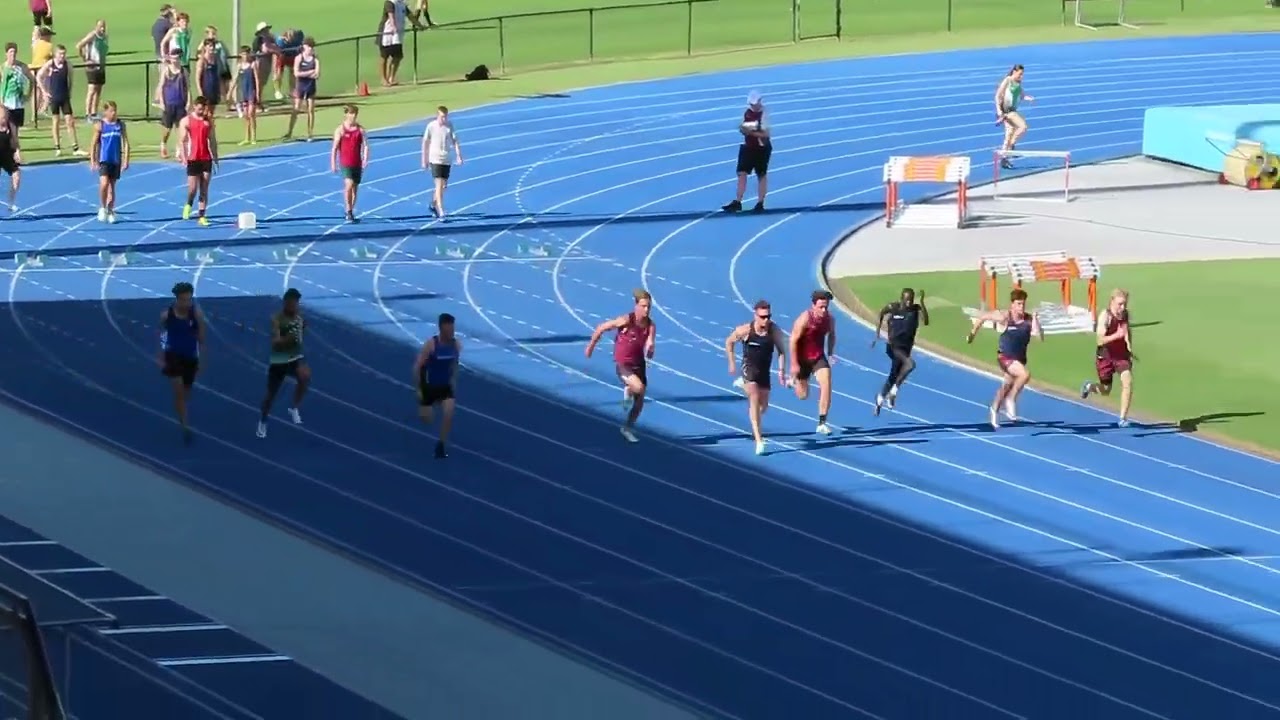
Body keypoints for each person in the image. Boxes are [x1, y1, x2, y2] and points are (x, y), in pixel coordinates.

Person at [966, 288, 1044, 429]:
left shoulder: (1028, 319)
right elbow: (983, 317)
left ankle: (994, 409)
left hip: (1019, 358)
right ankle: (1011, 399)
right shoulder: (1004, 317)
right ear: (1012, 304)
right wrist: (972, 333)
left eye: (1023, 304)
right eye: (1019, 304)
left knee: (1006, 386)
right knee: (1025, 375)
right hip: (1005, 356)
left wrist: (1036, 320)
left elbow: (1039, 337)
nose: (1022, 307)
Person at [586, 289, 656, 443]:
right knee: (639, 388)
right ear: (636, 305)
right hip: (623, 364)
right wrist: (591, 346)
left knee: (639, 401)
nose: (646, 310)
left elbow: (650, 347)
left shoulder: (650, 326)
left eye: (649, 307)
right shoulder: (625, 320)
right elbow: (602, 327)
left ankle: (627, 428)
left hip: (639, 364)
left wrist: (651, 350)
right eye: (643, 306)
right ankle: (629, 388)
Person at [725, 299, 787, 455]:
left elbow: (782, 351)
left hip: (764, 372)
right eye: (763, 317)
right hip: (749, 369)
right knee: (753, 397)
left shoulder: (774, 331)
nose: (766, 320)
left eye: (768, 316)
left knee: (763, 406)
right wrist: (732, 363)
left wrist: (781, 371)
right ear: (755, 315)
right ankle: (759, 440)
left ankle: (754, 417)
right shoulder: (745, 330)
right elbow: (729, 342)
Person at [257, 289, 310, 439]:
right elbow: (275, 341)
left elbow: (299, 338)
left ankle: (294, 408)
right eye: (293, 303)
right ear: (286, 303)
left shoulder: (299, 319)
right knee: (271, 396)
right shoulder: (277, 319)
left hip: (294, 359)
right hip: (279, 361)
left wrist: (302, 330)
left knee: (305, 376)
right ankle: (263, 420)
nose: (295, 306)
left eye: (297, 303)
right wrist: (289, 337)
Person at [158, 281, 205, 443]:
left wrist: (201, 361)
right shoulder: (167, 315)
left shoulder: (195, 314)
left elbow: (201, 338)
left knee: (186, 393)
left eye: (189, 299)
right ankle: (185, 426)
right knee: (178, 391)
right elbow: (162, 336)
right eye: (183, 299)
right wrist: (162, 357)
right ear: (177, 299)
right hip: (173, 356)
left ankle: (181, 412)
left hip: (190, 357)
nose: (187, 302)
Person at [1081, 289, 1135, 427]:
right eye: (1120, 304)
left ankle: (1123, 418)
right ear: (1112, 301)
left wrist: (1129, 346)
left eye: (1124, 304)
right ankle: (1089, 386)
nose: (1122, 308)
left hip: (1121, 355)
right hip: (1105, 356)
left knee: (1127, 382)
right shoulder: (1105, 316)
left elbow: (1126, 330)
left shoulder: (1125, 314)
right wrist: (1116, 336)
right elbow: (1099, 340)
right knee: (1105, 390)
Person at [871, 288, 929, 415]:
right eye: (907, 299)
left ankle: (879, 399)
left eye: (911, 299)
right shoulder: (893, 307)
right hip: (893, 346)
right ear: (902, 298)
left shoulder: (915, 309)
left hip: (906, 348)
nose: (909, 302)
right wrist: (877, 334)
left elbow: (926, 321)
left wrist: (922, 302)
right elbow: (881, 313)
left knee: (894, 375)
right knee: (910, 365)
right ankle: (893, 392)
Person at [413, 313, 461, 459]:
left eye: (452, 330)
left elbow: (455, 364)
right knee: (427, 419)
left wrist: (453, 381)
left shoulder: (456, 345)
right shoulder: (431, 345)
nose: (451, 333)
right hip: (429, 386)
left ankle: (441, 445)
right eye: (448, 330)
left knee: (448, 414)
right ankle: (424, 408)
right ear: (441, 329)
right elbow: (418, 367)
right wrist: (419, 389)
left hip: (445, 387)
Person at [790, 290, 837, 435]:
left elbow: (832, 335)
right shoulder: (805, 318)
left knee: (826, 382)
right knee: (803, 395)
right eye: (821, 307)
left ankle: (822, 422)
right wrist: (793, 364)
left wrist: (830, 353)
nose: (824, 310)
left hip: (818, 357)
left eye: (826, 307)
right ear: (813, 305)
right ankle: (795, 381)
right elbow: (793, 340)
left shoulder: (829, 319)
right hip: (802, 359)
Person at [722, 90, 771, 214]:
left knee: (761, 174)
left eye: (756, 103)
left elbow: (766, 134)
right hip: (748, 146)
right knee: (741, 173)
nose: (755, 105)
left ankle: (760, 203)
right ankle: (738, 202)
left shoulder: (764, 114)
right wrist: (744, 130)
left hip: (761, 148)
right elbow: (743, 127)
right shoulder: (747, 112)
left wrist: (751, 132)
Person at [36, 43, 84, 157]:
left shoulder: (68, 65)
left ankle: (75, 147)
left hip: (64, 97)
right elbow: (39, 76)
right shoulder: (50, 64)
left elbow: (71, 79)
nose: (62, 56)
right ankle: (57, 147)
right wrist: (44, 92)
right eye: (60, 54)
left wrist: (70, 91)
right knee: (56, 122)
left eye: (64, 54)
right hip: (54, 97)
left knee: (70, 122)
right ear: (55, 54)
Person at [176, 96, 218, 226]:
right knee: (193, 188)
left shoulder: (208, 122)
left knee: (204, 188)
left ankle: (202, 215)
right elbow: (182, 140)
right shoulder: (186, 121)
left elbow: (212, 140)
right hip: (193, 158)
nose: (201, 111)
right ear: (195, 107)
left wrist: (216, 157)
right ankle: (188, 204)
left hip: (206, 158)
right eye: (199, 109)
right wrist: (183, 156)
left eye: (203, 109)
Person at [421, 105, 463, 219]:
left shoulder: (449, 126)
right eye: (442, 117)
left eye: (445, 117)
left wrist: (459, 155)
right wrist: (424, 159)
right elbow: (425, 142)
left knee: (444, 186)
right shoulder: (431, 126)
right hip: (435, 159)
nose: (444, 119)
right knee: (439, 184)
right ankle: (441, 210)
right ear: (437, 116)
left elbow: (455, 141)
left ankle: (433, 204)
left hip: (446, 159)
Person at [88, 100, 127, 223]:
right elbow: (93, 144)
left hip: (115, 160)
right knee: (104, 184)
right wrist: (93, 160)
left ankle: (111, 210)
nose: (114, 113)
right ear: (105, 112)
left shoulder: (120, 125)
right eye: (111, 111)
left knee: (112, 187)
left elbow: (125, 143)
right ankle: (102, 207)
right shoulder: (100, 126)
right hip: (104, 159)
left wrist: (126, 160)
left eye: (115, 110)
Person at [331, 104, 368, 222]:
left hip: (357, 162)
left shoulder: (360, 130)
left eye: (355, 114)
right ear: (346, 114)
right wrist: (333, 162)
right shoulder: (340, 130)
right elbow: (335, 148)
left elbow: (366, 145)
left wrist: (365, 158)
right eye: (351, 114)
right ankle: (348, 211)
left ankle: (351, 209)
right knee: (349, 185)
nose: (353, 116)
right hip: (345, 162)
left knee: (355, 188)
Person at [995, 64, 1034, 170]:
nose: (1021, 76)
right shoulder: (1008, 80)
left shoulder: (1018, 82)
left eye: (1022, 74)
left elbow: (1021, 95)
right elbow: (998, 95)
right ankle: (1012, 146)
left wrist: (1027, 98)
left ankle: (1004, 159)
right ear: (1014, 72)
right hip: (1007, 112)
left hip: (1012, 110)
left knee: (1009, 134)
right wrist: (999, 111)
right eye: (1020, 74)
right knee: (1023, 126)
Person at [284, 39, 319, 141]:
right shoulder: (299, 58)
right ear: (304, 47)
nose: (311, 49)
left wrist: (309, 73)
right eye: (309, 47)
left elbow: (317, 74)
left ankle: (310, 133)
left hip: (311, 86)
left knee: (310, 110)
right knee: (296, 109)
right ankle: (289, 132)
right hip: (301, 86)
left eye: (312, 47)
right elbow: (296, 73)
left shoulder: (315, 59)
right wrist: (309, 72)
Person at [154, 49, 188, 158]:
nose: (175, 60)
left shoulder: (183, 71)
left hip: (180, 102)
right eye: (173, 57)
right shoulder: (166, 70)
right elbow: (161, 86)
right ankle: (163, 144)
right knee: (167, 129)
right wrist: (161, 101)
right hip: (169, 102)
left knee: (180, 128)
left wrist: (189, 102)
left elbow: (187, 88)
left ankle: (179, 151)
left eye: (177, 58)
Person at [73, 19, 107, 120]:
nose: (102, 28)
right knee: (92, 90)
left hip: (101, 67)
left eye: (104, 26)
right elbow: (79, 45)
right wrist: (85, 59)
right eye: (100, 26)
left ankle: (94, 112)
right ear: (96, 26)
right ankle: (87, 113)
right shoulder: (92, 36)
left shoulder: (105, 37)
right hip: (92, 67)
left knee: (98, 90)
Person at [1, 44, 34, 139]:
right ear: (6, 54)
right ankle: (15, 150)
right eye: (11, 52)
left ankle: (13, 149)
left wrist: (28, 94)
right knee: (9, 127)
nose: (13, 54)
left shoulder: (22, 67)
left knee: (16, 127)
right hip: (6, 103)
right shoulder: (3, 68)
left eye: (14, 52)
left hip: (18, 102)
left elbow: (32, 80)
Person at [232, 45, 259, 144]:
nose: (245, 56)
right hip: (244, 92)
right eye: (243, 54)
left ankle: (254, 137)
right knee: (245, 115)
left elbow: (256, 79)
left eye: (247, 54)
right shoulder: (239, 66)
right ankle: (246, 137)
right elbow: (235, 79)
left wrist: (258, 92)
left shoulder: (253, 65)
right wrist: (230, 91)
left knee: (251, 114)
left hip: (251, 91)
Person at [0, 106, 21, 212]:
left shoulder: (10, 126)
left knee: (16, 176)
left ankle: (11, 203)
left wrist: (17, 152)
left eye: (5, 116)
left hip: (7, 155)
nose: (3, 118)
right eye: (2, 116)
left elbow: (15, 141)